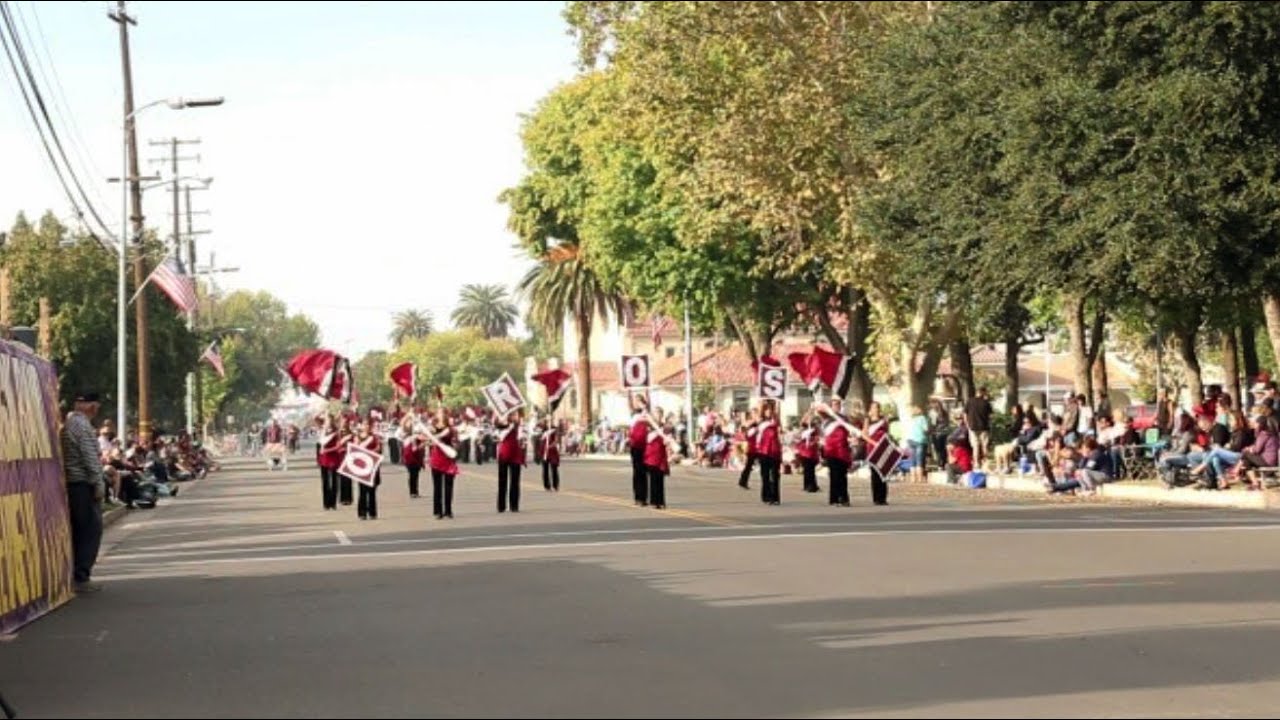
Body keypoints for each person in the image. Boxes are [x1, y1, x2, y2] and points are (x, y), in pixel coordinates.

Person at [60, 391, 106, 594]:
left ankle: (78, 574)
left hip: (74, 483)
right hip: (82, 484)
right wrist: (98, 483)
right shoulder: (82, 426)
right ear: (93, 406)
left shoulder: (70, 423)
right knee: (89, 530)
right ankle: (81, 576)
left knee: (79, 530)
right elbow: (90, 458)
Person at [820, 399, 853, 507]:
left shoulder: (844, 419)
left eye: (838, 405)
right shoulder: (827, 418)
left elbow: (849, 431)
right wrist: (828, 410)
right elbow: (819, 408)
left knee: (842, 475)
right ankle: (834, 498)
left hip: (842, 450)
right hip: (831, 450)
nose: (837, 407)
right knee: (834, 475)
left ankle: (844, 498)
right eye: (834, 405)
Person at [428, 408, 459, 519]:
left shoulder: (450, 429)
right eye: (439, 412)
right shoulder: (432, 428)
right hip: (436, 458)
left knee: (448, 486)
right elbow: (428, 440)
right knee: (437, 487)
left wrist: (433, 437)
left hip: (448, 458)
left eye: (443, 413)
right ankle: (438, 511)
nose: (441, 414)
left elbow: (453, 440)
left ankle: (448, 510)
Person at [495, 409, 524, 513]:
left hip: (515, 454)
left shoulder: (518, 425)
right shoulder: (500, 425)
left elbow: (522, 437)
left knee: (515, 481)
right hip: (504, 453)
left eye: (515, 414)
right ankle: (501, 506)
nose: (514, 416)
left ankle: (514, 505)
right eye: (512, 414)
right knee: (502, 481)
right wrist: (504, 424)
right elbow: (497, 437)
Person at [353, 419, 383, 520]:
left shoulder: (375, 437)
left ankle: (372, 513)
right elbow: (355, 450)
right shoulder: (357, 437)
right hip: (362, 467)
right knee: (362, 491)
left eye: (368, 424)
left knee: (372, 491)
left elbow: (378, 449)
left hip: (372, 466)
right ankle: (362, 513)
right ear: (361, 426)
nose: (366, 426)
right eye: (365, 424)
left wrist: (369, 451)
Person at [643, 408, 672, 509]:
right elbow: (648, 439)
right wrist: (657, 431)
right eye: (657, 414)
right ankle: (654, 501)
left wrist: (667, 441)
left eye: (660, 413)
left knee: (660, 479)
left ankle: (661, 501)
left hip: (661, 455)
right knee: (653, 478)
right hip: (651, 455)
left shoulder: (665, 427)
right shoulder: (649, 426)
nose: (658, 415)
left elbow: (668, 439)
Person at [757, 401, 783, 505]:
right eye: (767, 410)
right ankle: (766, 495)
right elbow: (759, 410)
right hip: (763, 451)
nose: (769, 411)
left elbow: (778, 420)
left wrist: (777, 404)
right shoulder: (761, 422)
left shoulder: (775, 421)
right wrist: (762, 402)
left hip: (775, 451)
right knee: (765, 475)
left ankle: (775, 497)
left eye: (770, 410)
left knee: (775, 475)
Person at [865, 401, 890, 505]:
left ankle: (883, 498)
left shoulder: (884, 420)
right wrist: (874, 443)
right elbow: (864, 434)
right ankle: (876, 498)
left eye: (878, 407)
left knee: (883, 473)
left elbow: (888, 433)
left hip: (883, 448)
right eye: (874, 407)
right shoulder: (868, 420)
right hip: (872, 449)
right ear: (870, 409)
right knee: (875, 474)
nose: (876, 410)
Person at [316, 414, 342, 510]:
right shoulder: (322, 432)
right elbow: (316, 418)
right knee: (325, 481)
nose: (327, 423)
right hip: (323, 459)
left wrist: (327, 450)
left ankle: (333, 503)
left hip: (333, 458)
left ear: (332, 421)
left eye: (329, 421)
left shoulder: (336, 432)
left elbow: (338, 446)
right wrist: (323, 412)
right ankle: (326, 503)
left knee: (334, 481)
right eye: (326, 421)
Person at [629, 395, 651, 506]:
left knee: (644, 472)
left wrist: (644, 406)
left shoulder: (647, 415)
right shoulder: (634, 416)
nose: (637, 403)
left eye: (639, 402)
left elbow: (648, 416)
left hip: (646, 446)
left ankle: (644, 497)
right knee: (637, 472)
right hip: (636, 446)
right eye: (636, 402)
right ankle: (638, 497)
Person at [965, 387, 994, 468]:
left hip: (972, 427)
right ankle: (985, 462)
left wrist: (967, 424)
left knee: (975, 446)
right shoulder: (986, 403)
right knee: (985, 445)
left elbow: (965, 414)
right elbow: (991, 416)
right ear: (983, 393)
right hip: (984, 427)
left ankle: (976, 463)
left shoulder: (970, 401)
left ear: (977, 392)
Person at [400, 415, 426, 499]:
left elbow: (423, 438)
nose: (411, 424)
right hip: (410, 457)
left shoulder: (415, 434)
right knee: (413, 474)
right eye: (409, 423)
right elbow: (414, 448)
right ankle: (413, 492)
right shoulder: (404, 434)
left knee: (415, 474)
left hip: (415, 457)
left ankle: (414, 491)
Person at [738, 409, 759, 491]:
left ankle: (743, 481)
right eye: (754, 413)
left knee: (749, 465)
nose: (755, 414)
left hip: (757, 446)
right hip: (753, 447)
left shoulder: (757, 422)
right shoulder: (751, 423)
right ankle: (743, 481)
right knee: (749, 465)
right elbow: (744, 430)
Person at [542, 419, 562, 491]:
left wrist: (552, 445)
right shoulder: (543, 430)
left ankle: (555, 485)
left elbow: (556, 440)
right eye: (547, 421)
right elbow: (540, 439)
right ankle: (547, 485)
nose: (549, 423)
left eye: (550, 421)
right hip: (545, 451)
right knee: (545, 469)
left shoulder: (554, 430)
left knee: (554, 468)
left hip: (553, 451)